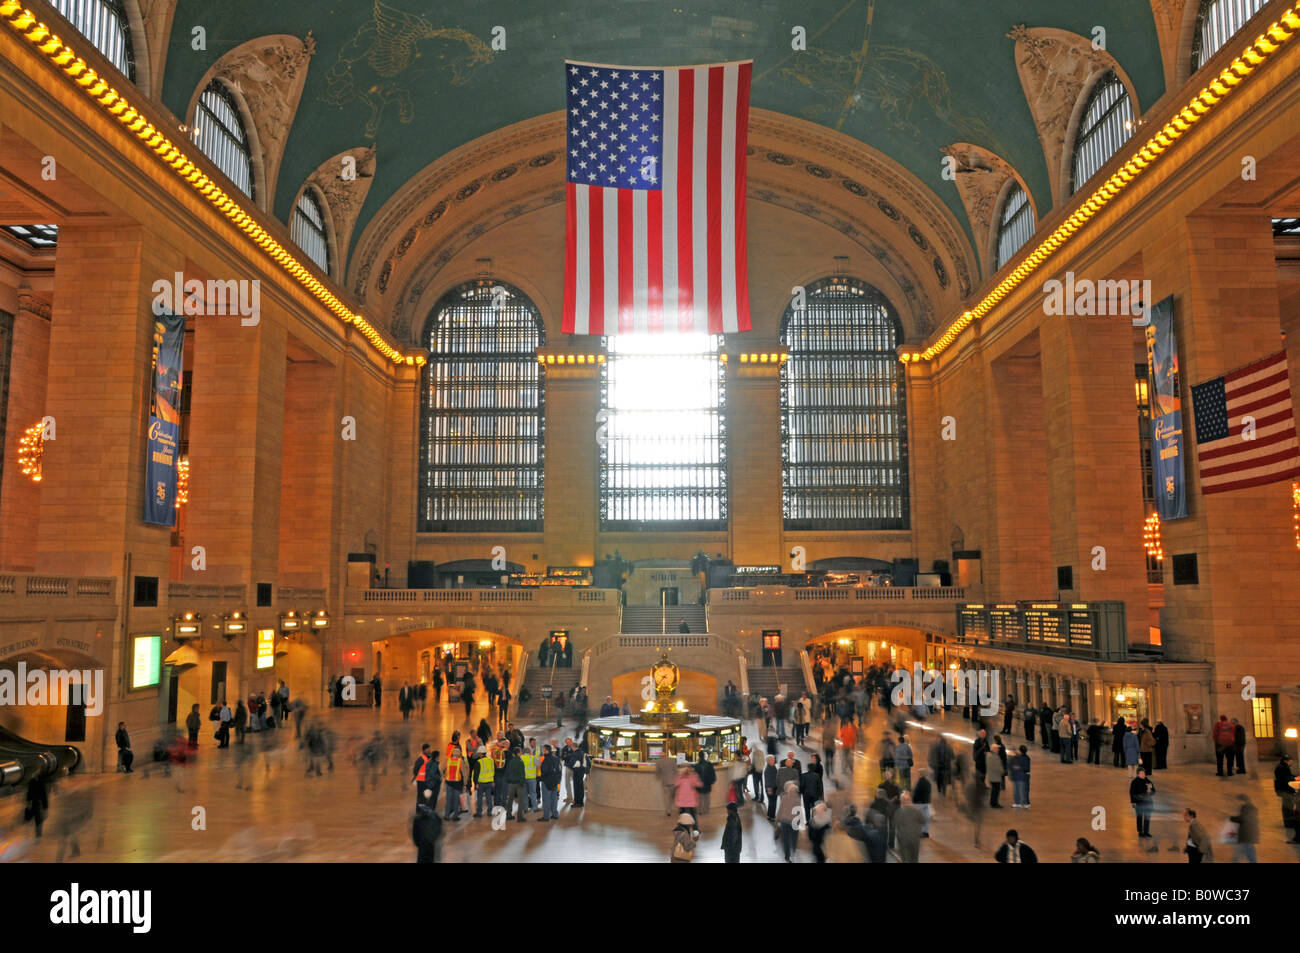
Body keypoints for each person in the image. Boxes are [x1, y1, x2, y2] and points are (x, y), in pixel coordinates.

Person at [1274, 754, 1299, 842]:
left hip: (1284, 789)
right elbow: (1286, 779)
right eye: (1291, 760)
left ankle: (1289, 822)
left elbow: (1288, 776)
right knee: (1287, 807)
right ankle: (1288, 823)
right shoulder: (1282, 768)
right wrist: (1296, 778)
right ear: (1286, 761)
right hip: (1284, 790)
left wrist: (1295, 777)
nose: (1292, 762)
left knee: (1288, 806)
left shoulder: (1283, 767)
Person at [895, 791, 924, 862]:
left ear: (902, 801)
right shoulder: (917, 811)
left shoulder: (898, 812)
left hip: (903, 839)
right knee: (914, 858)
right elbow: (923, 821)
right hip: (915, 838)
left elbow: (895, 824)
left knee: (905, 858)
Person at [1229, 794, 1259, 863]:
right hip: (1250, 834)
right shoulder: (1251, 808)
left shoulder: (1246, 808)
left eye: (1238, 801)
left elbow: (1243, 818)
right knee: (1248, 851)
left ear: (1242, 801)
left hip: (1247, 834)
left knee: (1245, 851)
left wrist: (1232, 818)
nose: (1237, 803)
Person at [776, 780, 800, 861]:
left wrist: (777, 818)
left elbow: (781, 809)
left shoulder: (784, 798)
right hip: (794, 821)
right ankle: (794, 848)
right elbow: (799, 811)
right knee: (794, 837)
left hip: (784, 821)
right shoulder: (798, 799)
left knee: (785, 839)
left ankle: (787, 856)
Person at [539, 744, 562, 821]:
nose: (542, 751)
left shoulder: (546, 760)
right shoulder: (556, 758)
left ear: (546, 750)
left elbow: (544, 771)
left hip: (546, 782)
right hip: (555, 781)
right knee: (554, 798)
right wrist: (558, 780)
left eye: (543, 749)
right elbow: (559, 770)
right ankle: (555, 814)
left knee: (546, 799)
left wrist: (542, 778)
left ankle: (546, 817)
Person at [1130, 768, 1155, 839]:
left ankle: (1146, 832)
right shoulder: (1135, 782)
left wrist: (1151, 791)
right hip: (1139, 803)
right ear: (1138, 774)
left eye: (1144, 773)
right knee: (1140, 817)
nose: (1143, 774)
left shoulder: (1148, 782)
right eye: (1141, 773)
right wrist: (1133, 802)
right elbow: (1132, 792)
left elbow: (1153, 791)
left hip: (1148, 803)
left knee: (1147, 818)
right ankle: (1140, 832)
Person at [505, 747, 528, 822]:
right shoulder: (520, 762)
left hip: (511, 783)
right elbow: (522, 773)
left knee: (510, 799)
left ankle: (508, 815)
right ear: (517, 753)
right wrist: (522, 782)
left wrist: (508, 780)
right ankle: (520, 817)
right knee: (521, 800)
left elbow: (507, 772)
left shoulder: (510, 761)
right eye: (520, 752)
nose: (521, 753)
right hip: (519, 783)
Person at [912, 769, 933, 836]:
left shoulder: (920, 782)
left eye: (918, 774)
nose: (917, 775)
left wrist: (914, 801)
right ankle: (926, 832)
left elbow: (916, 793)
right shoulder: (928, 782)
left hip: (919, 803)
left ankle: (921, 832)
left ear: (921, 775)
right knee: (925, 818)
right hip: (926, 802)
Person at [986, 741, 1006, 808]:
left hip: (994, 777)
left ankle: (993, 803)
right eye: (997, 748)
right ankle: (994, 804)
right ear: (994, 749)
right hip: (994, 777)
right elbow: (995, 767)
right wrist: (1002, 771)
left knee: (994, 791)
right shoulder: (992, 756)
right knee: (995, 791)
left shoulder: (992, 755)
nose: (998, 749)